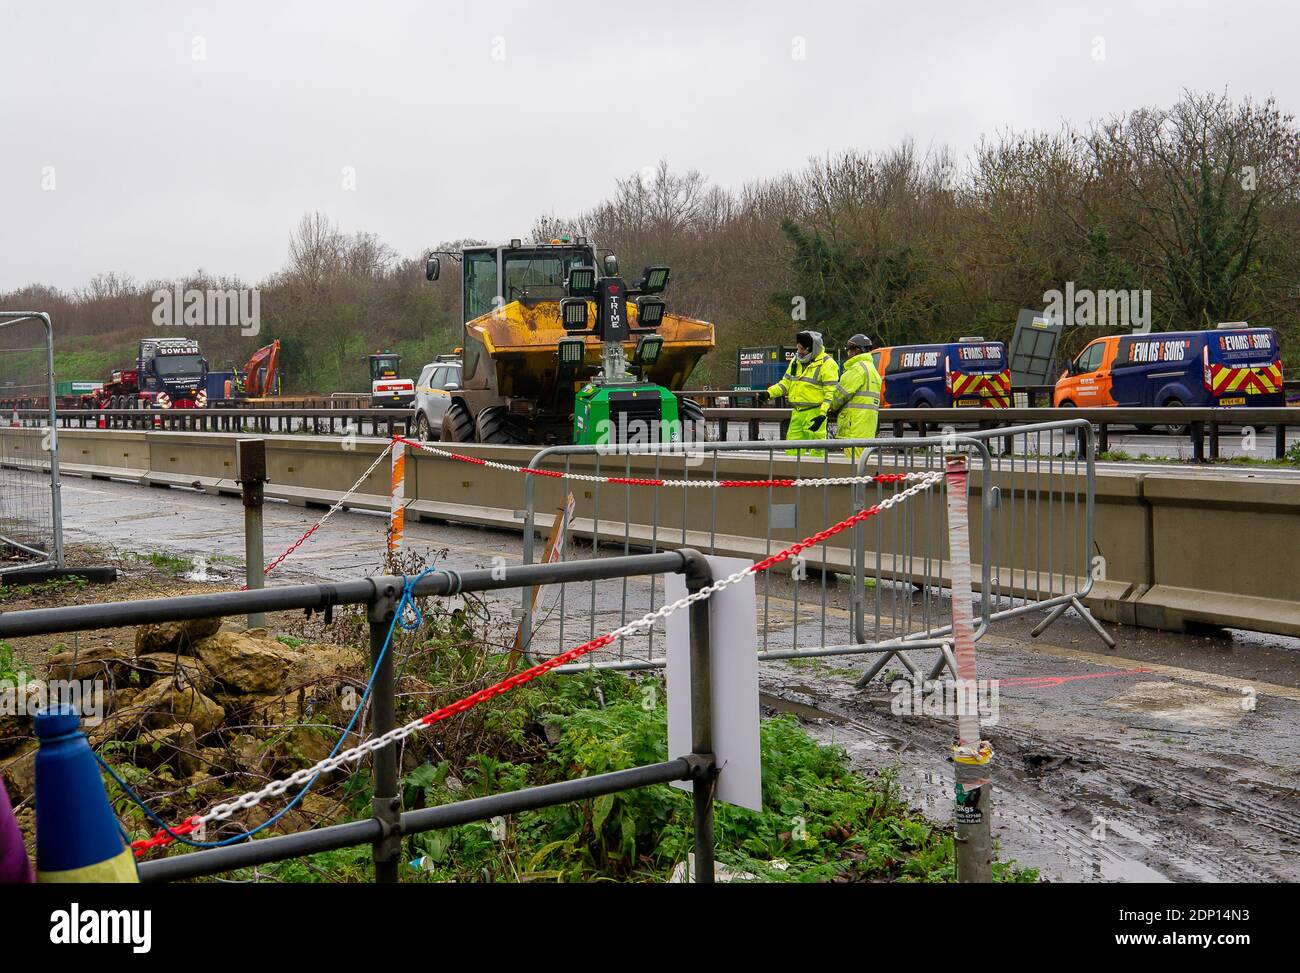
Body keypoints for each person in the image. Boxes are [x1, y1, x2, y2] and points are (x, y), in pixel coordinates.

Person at [767, 330, 839, 456]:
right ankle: (792, 475)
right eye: (798, 347)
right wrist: (769, 393)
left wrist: (822, 415)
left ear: (811, 349)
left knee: (816, 453)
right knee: (792, 451)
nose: (798, 351)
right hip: (797, 413)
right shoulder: (796, 361)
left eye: (801, 348)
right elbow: (786, 383)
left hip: (815, 413)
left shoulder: (827, 364)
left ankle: (816, 475)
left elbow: (831, 393)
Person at [828, 334, 882, 460]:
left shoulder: (857, 369)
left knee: (853, 463)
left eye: (849, 350)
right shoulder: (872, 369)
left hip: (854, 424)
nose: (848, 354)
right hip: (868, 423)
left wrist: (829, 407)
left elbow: (839, 395)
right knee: (863, 460)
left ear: (856, 350)